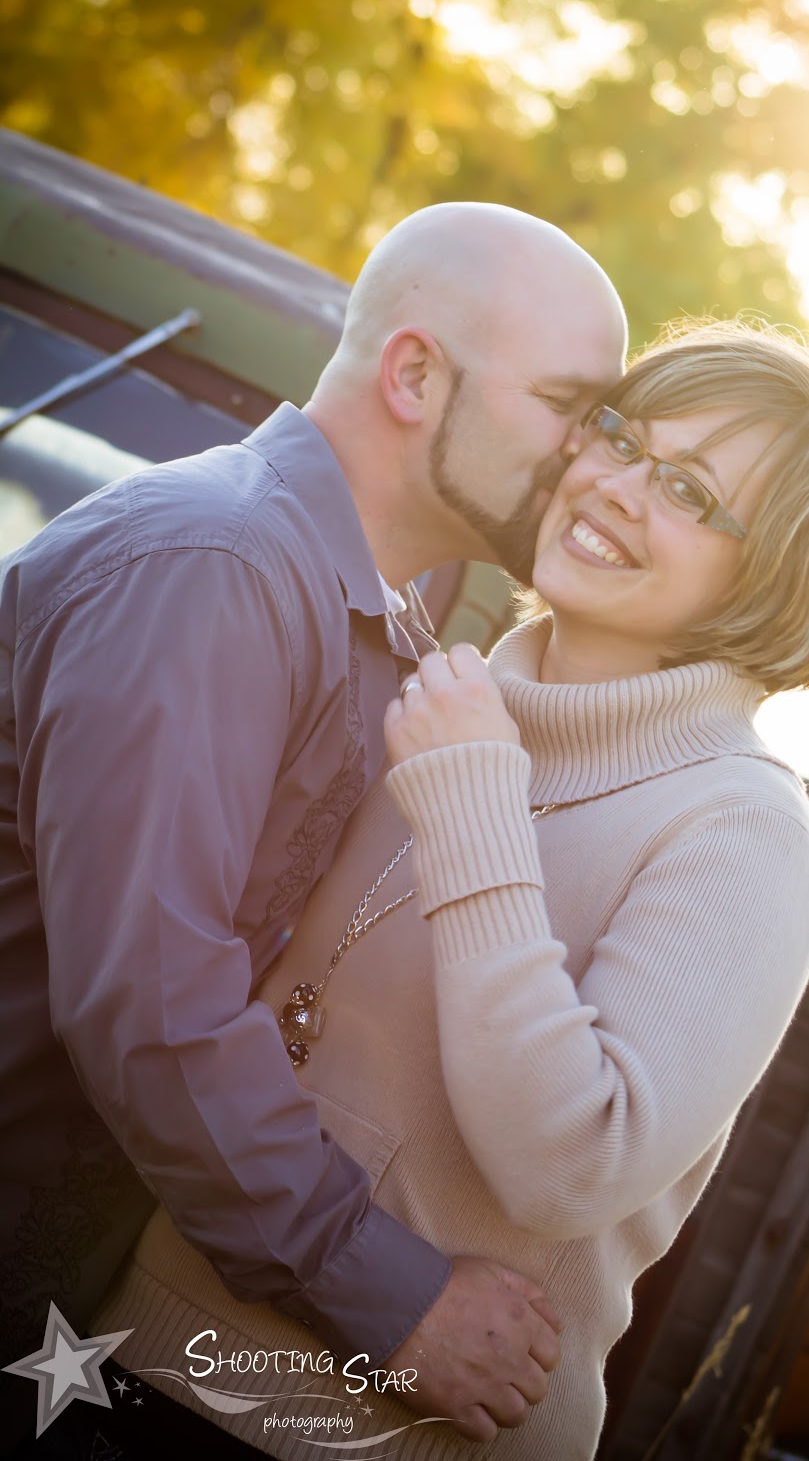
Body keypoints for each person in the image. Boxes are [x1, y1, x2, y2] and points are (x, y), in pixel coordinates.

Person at [91, 321, 809, 1459]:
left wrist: (474, 802)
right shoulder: (437, 691)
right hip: (130, 1356)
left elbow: (572, 1160)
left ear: (776, 578)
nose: (614, 484)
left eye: (685, 488)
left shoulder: (741, 830)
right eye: (620, 436)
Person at [0, 202, 628, 1447]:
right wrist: (394, 1303)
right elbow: (155, 1005)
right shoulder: (212, 569)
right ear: (413, 373)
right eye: (569, 405)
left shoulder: (396, 607)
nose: (588, 461)